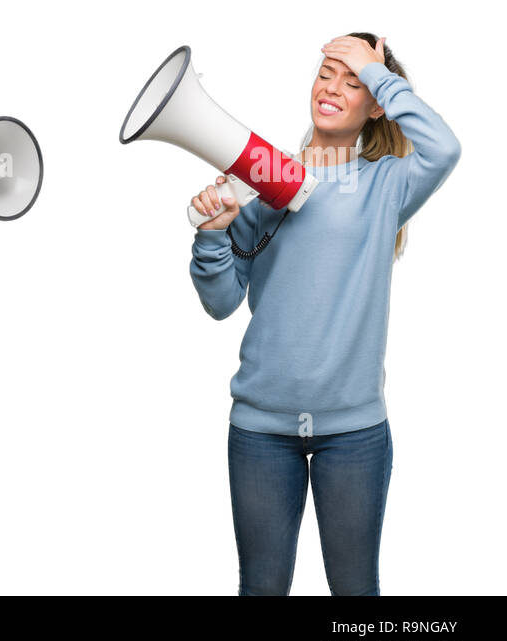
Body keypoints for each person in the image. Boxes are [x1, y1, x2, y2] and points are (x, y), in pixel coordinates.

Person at [188, 33, 460, 595]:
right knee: (261, 587)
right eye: (326, 73)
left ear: (376, 102)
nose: (332, 88)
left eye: (353, 80)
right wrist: (213, 239)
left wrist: (381, 72)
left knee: (356, 594)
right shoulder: (262, 176)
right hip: (261, 431)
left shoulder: (387, 184)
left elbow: (445, 148)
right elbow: (220, 305)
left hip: (354, 435)